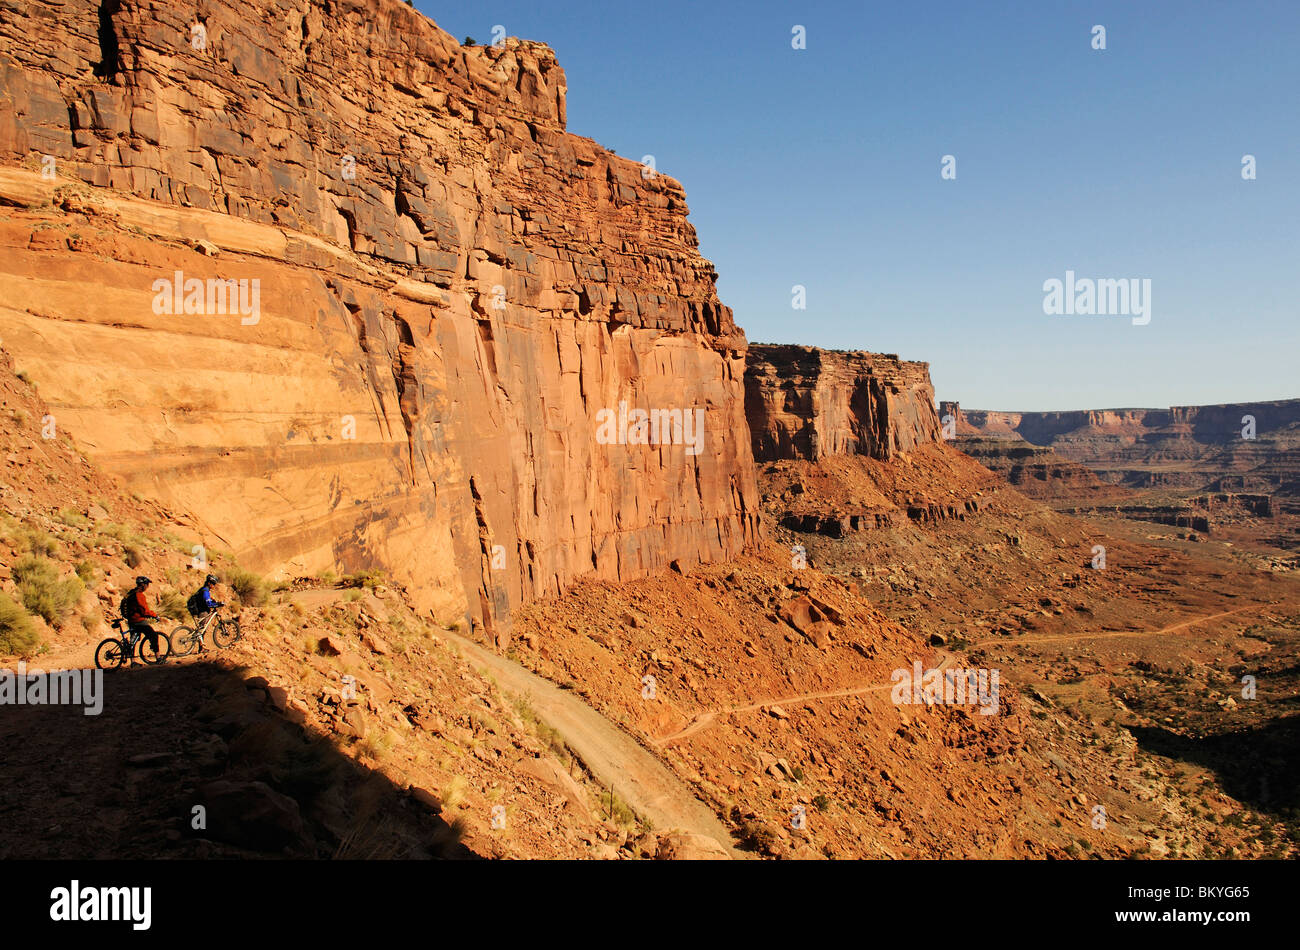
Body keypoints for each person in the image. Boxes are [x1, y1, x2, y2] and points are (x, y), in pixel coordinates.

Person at [121, 576, 162, 661]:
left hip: (131, 620)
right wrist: (155, 616)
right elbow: (144, 611)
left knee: (133, 641)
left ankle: (133, 662)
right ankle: (158, 658)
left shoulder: (131, 593)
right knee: (153, 635)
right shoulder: (139, 595)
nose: (148, 587)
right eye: (147, 585)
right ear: (143, 585)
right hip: (138, 620)